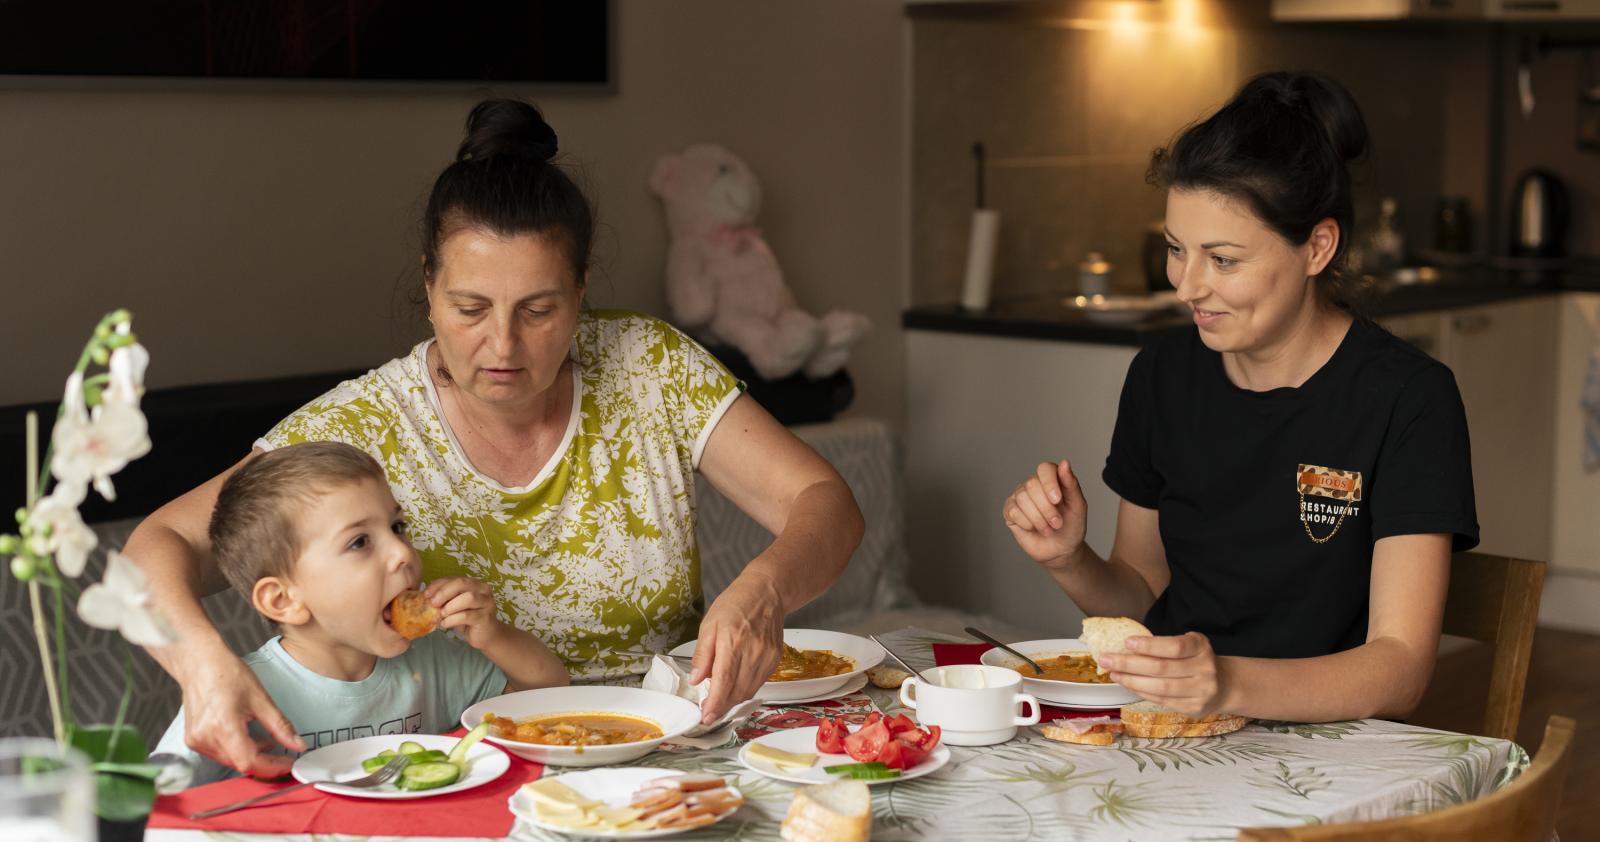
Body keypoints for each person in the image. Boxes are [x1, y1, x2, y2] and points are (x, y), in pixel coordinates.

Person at [126, 99, 864, 777]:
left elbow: (825, 502)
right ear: (427, 285)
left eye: (539, 309)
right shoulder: (359, 428)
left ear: (580, 292)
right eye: (470, 308)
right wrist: (202, 664)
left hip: (674, 749)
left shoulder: (651, 365)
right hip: (479, 776)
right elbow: (154, 549)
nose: (502, 345)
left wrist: (764, 588)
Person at [1002, 72, 1477, 724]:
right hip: (1180, 735)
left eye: (1223, 259)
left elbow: (1399, 668)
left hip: (1337, 755)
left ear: (1317, 246)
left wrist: (1223, 682)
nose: (1188, 286)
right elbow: (1143, 600)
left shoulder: (1407, 399)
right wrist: (1069, 560)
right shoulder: (1162, 376)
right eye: (1175, 250)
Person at [153, 442, 569, 785]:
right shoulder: (245, 693)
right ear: (284, 601)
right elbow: (159, 799)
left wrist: (492, 636)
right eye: (359, 543)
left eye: (397, 528)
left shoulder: (437, 659)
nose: (402, 553)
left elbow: (549, 695)